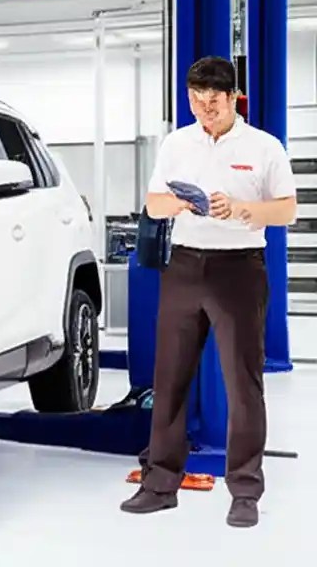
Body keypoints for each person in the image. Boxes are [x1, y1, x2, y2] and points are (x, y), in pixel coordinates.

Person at [119, 56, 297, 528]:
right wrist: (182, 202)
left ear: (233, 97)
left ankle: (244, 491)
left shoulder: (263, 146)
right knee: (170, 379)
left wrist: (240, 208)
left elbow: (287, 210)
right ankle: (159, 484)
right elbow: (153, 204)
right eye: (195, 100)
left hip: (239, 269)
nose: (204, 110)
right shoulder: (178, 143)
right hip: (184, 266)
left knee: (243, 385)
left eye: (213, 102)